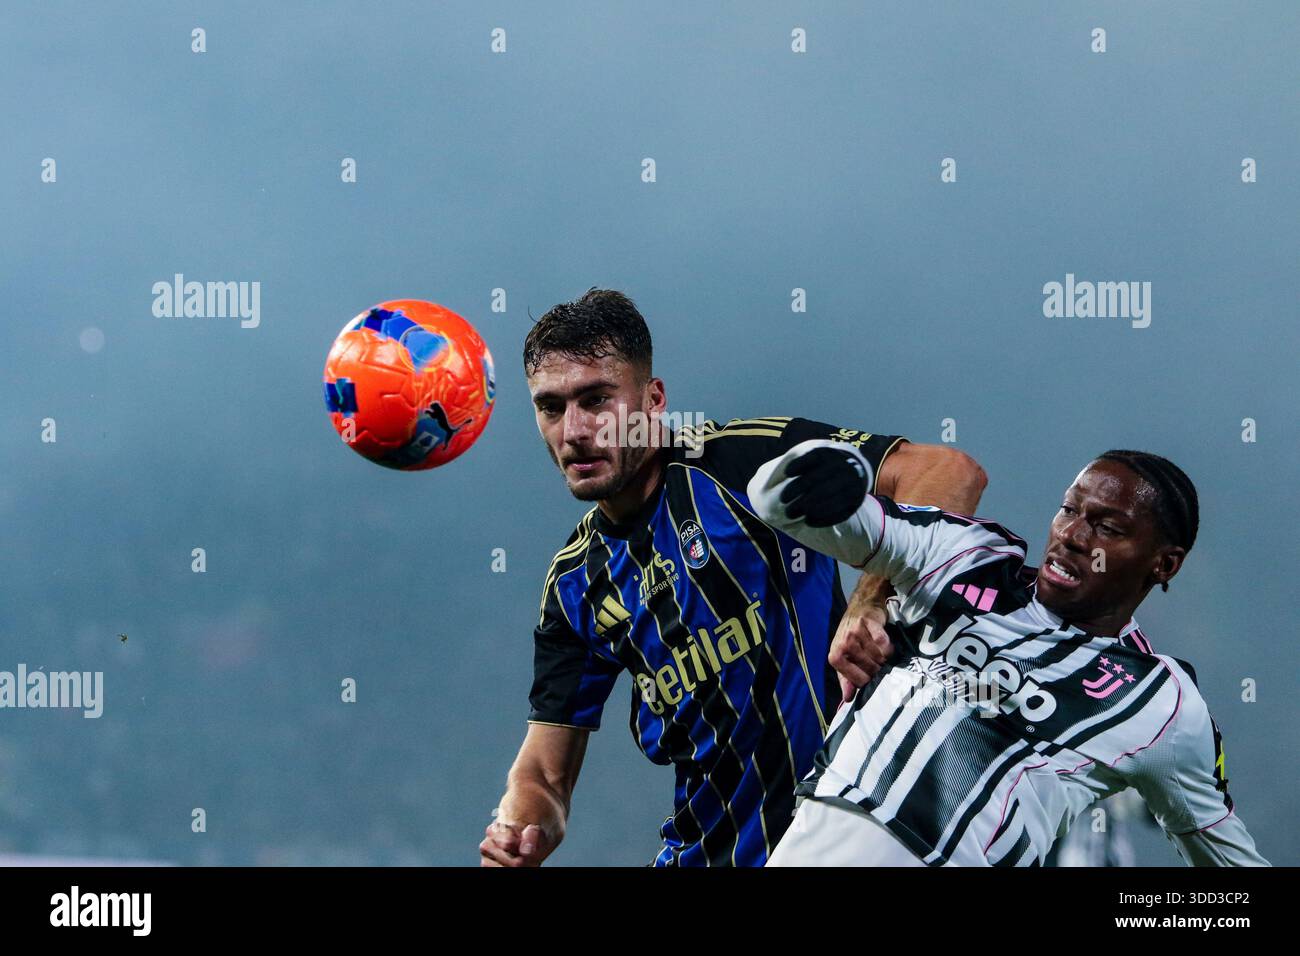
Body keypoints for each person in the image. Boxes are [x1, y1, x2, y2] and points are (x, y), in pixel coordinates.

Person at [479, 289, 986, 866]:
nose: (573, 431)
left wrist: (874, 595)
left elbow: (946, 473)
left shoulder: (742, 464)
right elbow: (545, 770)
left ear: (653, 400)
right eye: (550, 407)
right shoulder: (574, 586)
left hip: (848, 834)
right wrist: (520, 826)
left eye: (596, 400)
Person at [749, 441, 1268, 866]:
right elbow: (777, 503)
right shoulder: (961, 556)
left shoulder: (1159, 704)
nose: (1072, 536)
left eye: (1107, 528)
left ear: (1164, 565)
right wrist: (816, 472)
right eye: (1069, 510)